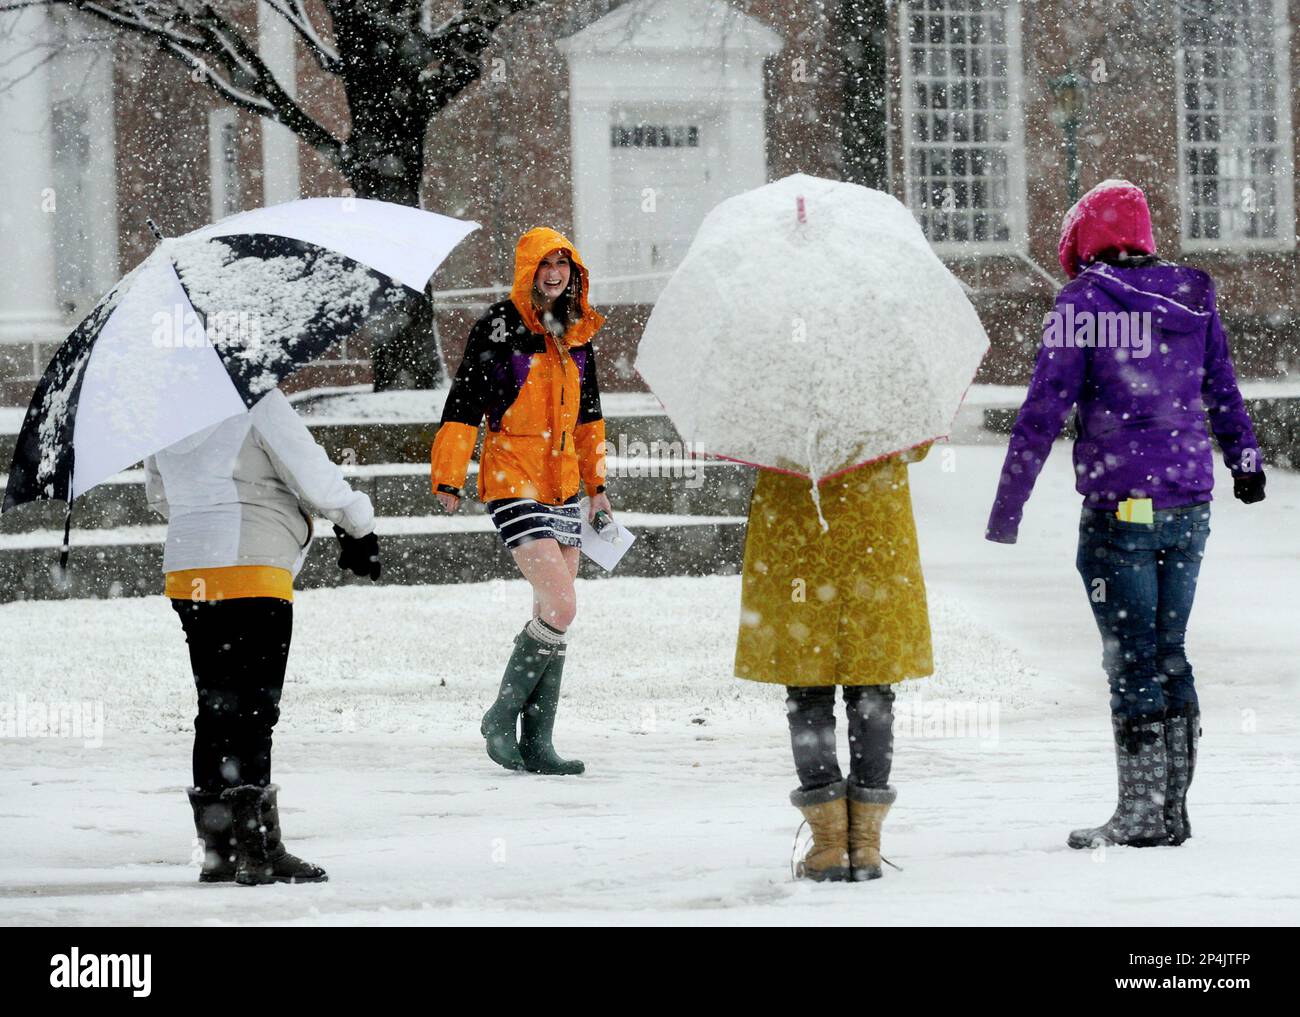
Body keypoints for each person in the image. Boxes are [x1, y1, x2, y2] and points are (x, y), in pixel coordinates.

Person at [985, 179, 1265, 849]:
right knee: (1170, 651)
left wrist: (1007, 507)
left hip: (1120, 508)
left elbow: (1041, 411)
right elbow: (1222, 385)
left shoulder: (1081, 303)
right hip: (1188, 500)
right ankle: (1171, 809)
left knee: (1131, 660)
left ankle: (1140, 812)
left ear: (1081, 241)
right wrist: (1245, 461)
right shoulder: (1193, 296)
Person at [144, 389, 380, 884]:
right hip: (252, 567)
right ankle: (259, 851)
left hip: (191, 572)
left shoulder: (161, 409)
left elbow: (158, 495)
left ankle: (219, 852)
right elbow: (313, 475)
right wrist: (357, 523)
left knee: (215, 708)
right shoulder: (253, 396)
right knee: (254, 711)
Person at [431, 227, 610, 775]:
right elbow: (464, 400)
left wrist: (597, 490)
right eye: (545, 263)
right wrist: (449, 475)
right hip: (512, 478)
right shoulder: (499, 325)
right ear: (526, 268)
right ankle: (499, 717)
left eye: (564, 262)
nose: (554, 272)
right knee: (562, 606)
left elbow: (589, 422)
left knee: (547, 610)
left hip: (564, 486)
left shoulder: (577, 332)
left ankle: (538, 742)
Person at [734, 445, 933, 881]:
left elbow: (749, 446)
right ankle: (864, 845)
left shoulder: (770, 385)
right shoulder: (890, 384)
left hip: (798, 532)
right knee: (873, 689)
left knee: (807, 691)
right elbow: (918, 446)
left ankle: (828, 846)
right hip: (874, 533)